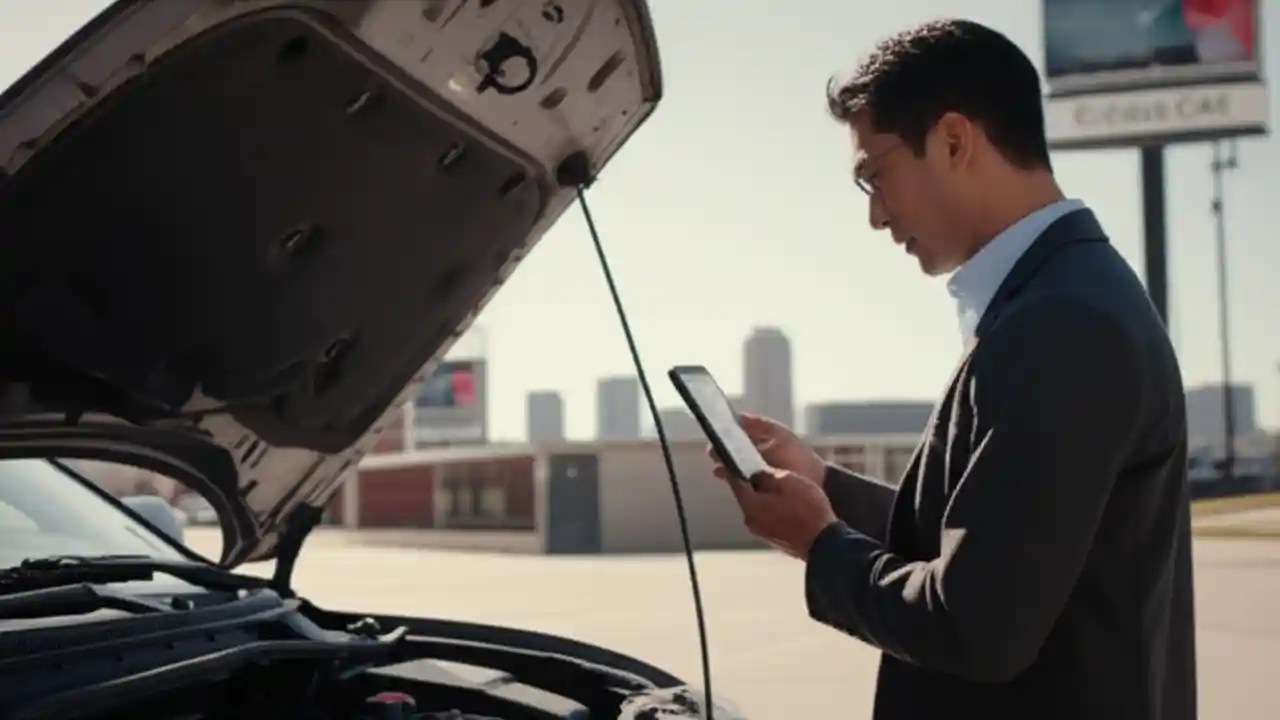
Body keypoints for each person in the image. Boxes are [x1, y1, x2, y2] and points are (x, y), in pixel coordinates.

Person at [708, 18, 1197, 720]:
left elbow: (974, 627)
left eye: (875, 176)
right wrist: (821, 488)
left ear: (953, 142)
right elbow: (988, 548)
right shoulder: (1060, 298)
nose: (876, 216)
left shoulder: (1064, 322)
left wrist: (819, 545)